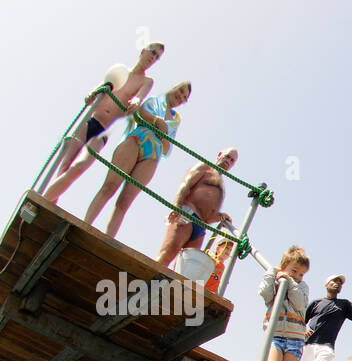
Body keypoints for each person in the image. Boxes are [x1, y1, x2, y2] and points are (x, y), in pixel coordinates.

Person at [42, 43, 165, 204]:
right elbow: (98, 88)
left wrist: (136, 101)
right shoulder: (120, 71)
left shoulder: (147, 81)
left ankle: (41, 200)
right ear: (143, 51)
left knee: (79, 167)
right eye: (153, 52)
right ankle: (46, 203)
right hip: (90, 120)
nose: (153, 58)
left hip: (104, 130)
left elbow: (139, 96)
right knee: (64, 166)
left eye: (157, 57)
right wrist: (92, 94)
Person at [83, 81, 191, 238]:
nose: (180, 96)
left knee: (125, 201)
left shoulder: (175, 120)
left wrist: (163, 131)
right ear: (174, 86)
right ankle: (84, 224)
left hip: (153, 155)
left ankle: (107, 239)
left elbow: (167, 150)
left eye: (184, 97)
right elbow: (138, 114)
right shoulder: (153, 100)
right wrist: (156, 122)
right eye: (180, 91)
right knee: (110, 187)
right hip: (136, 139)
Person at [157, 147, 238, 268]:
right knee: (167, 254)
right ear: (220, 154)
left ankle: (161, 286)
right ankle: (145, 282)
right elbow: (185, 185)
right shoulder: (205, 167)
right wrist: (176, 206)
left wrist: (220, 216)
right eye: (227, 156)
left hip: (200, 228)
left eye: (232, 160)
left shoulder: (221, 186)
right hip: (186, 215)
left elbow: (209, 215)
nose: (228, 161)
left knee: (185, 270)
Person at [260, 246, 310, 361]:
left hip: (295, 338)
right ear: (283, 268)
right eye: (294, 271)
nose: (297, 276)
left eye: (301, 274)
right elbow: (265, 293)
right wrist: (272, 272)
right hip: (275, 334)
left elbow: (299, 304)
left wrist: (289, 281)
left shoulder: (302, 287)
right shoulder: (277, 284)